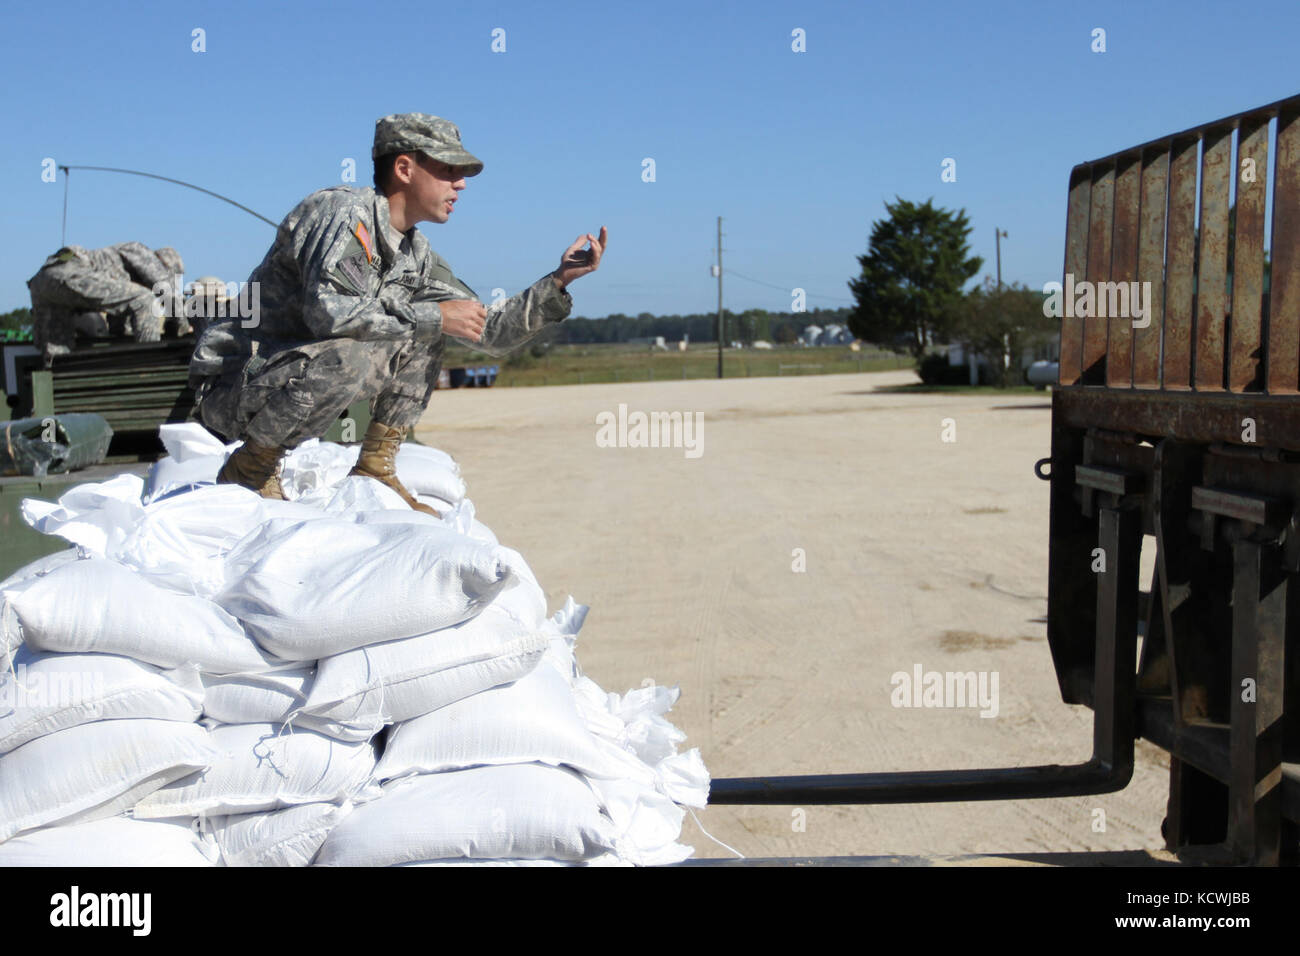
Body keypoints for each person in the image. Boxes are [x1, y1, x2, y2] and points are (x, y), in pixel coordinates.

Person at [188, 112, 606, 515]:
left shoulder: (417, 256)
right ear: (404, 168)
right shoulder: (343, 214)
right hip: (240, 381)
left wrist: (558, 281)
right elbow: (329, 316)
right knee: (378, 341)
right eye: (447, 169)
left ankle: (375, 464)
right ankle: (251, 467)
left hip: (294, 378)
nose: (460, 184)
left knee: (429, 326)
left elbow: (487, 330)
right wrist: (434, 317)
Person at [27, 243, 184, 363]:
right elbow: (163, 287)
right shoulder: (143, 252)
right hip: (71, 271)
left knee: (58, 353)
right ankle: (150, 366)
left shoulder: (124, 279)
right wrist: (183, 324)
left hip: (43, 282)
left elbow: (119, 321)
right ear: (164, 264)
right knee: (145, 300)